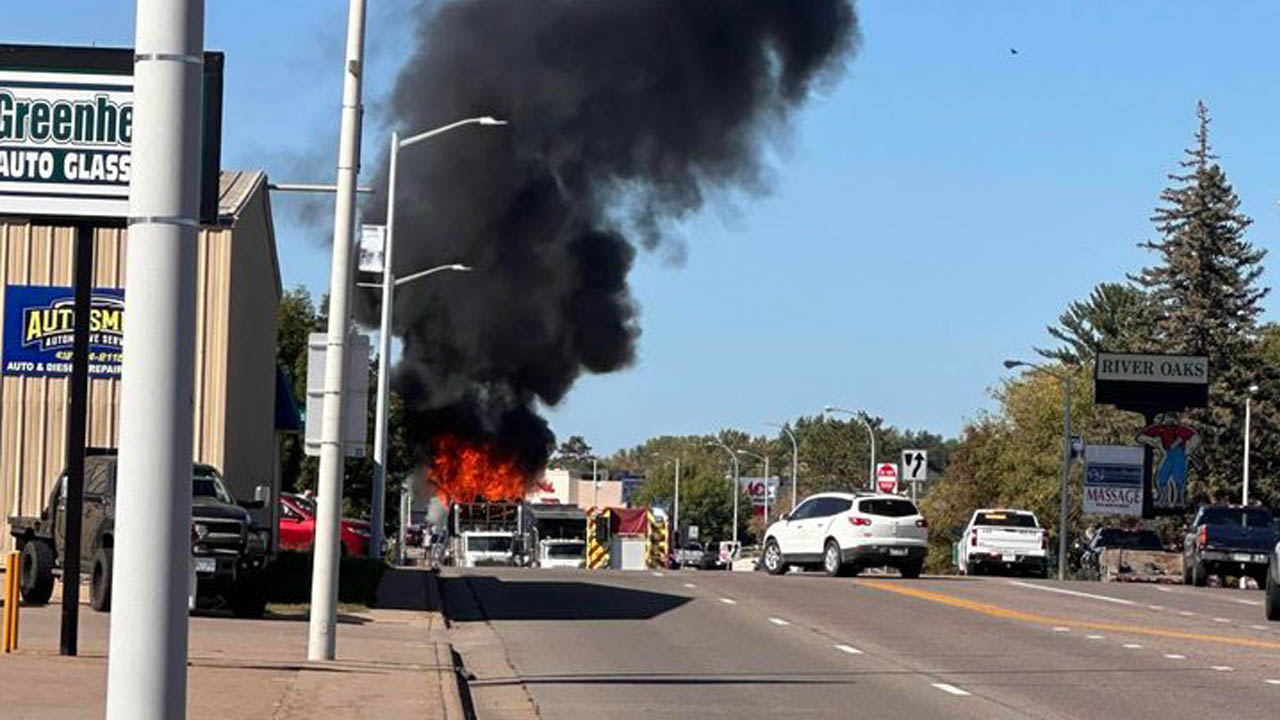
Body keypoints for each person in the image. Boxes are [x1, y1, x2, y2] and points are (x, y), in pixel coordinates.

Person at [1136, 416, 1200, 508]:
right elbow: (1140, 437)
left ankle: (1178, 499)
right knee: (1161, 476)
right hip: (1169, 454)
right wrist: (1152, 441)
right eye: (1167, 421)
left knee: (1178, 477)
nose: (1169, 425)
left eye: (1171, 421)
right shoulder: (1159, 429)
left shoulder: (1181, 429)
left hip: (1180, 455)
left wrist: (1190, 449)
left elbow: (1195, 437)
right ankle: (1164, 498)